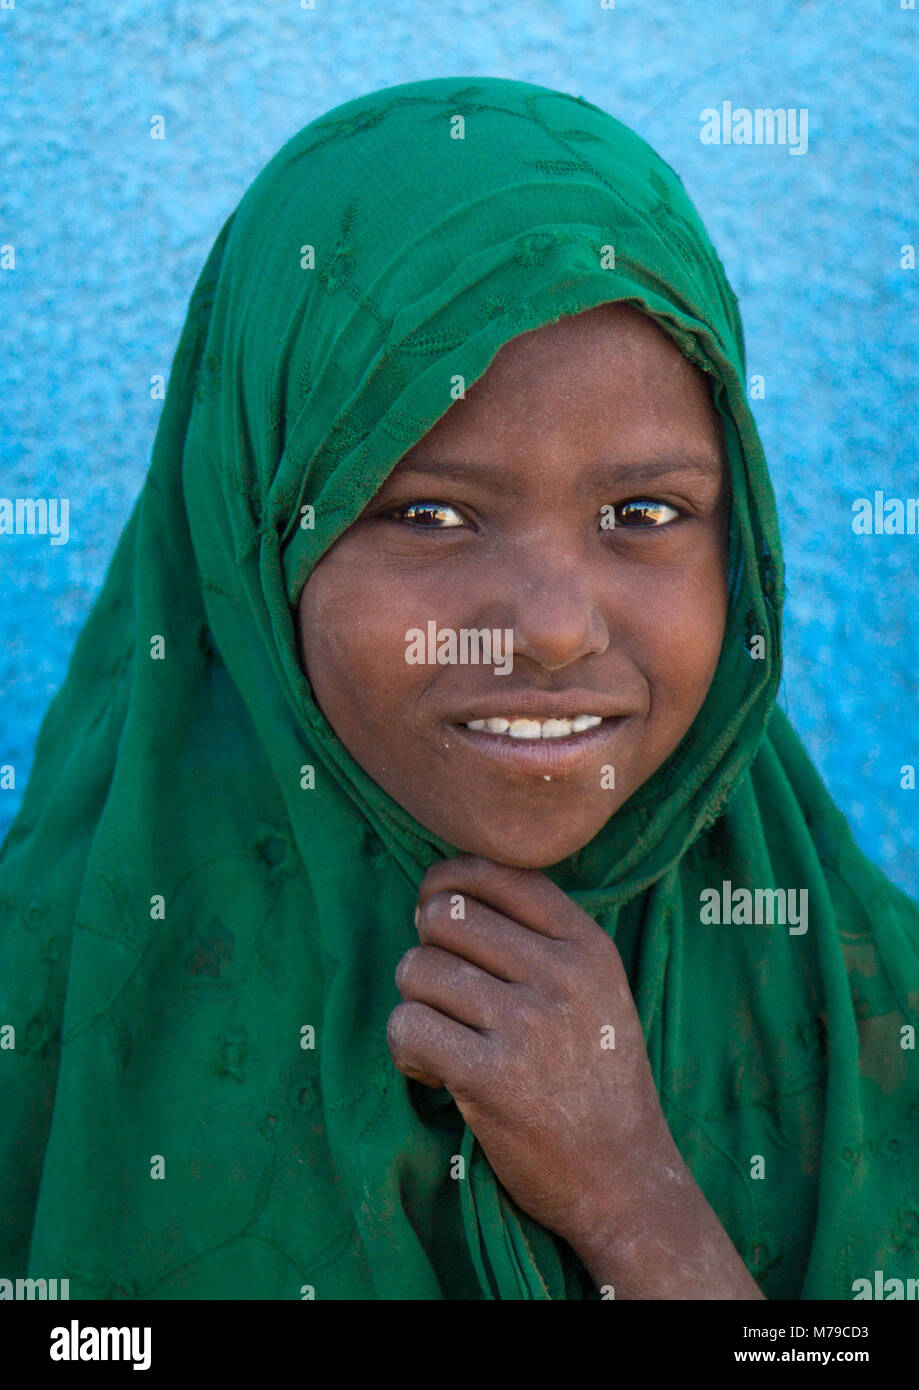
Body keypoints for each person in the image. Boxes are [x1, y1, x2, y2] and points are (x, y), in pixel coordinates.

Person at [1, 75, 916, 1301]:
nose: (547, 629)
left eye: (643, 513)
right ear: (259, 541)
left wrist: (637, 1204)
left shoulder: (867, 1015)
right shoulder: (47, 1022)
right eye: (428, 513)